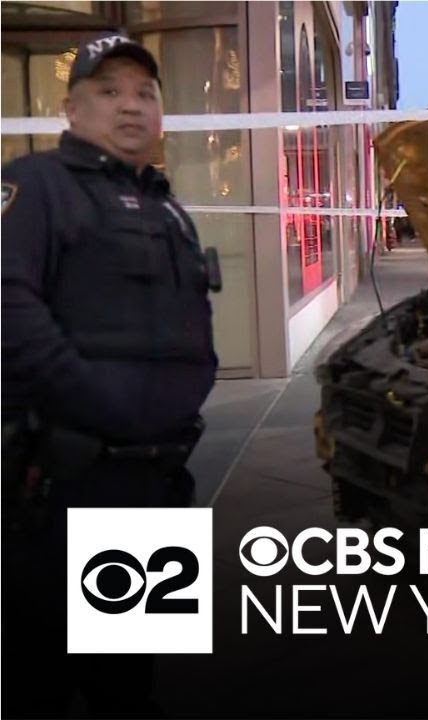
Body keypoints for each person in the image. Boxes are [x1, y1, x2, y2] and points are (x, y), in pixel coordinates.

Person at [1, 32, 218, 717]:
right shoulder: (36, 186)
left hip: (153, 484)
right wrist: (100, 401)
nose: (131, 107)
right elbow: (7, 306)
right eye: (109, 91)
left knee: (129, 685)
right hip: (64, 485)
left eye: (145, 93)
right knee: (39, 684)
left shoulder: (166, 205)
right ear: (71, 109)